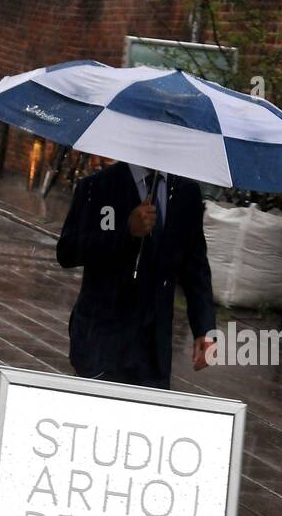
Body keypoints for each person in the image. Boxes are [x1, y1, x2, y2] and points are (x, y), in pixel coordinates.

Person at [56, 160, 215, 388]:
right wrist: (126, 232)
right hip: (101, 342)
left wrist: (205, 329)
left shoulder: (186, 193)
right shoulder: (98, 186)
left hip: (153, 350)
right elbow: (67, 252)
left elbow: (196, 268)